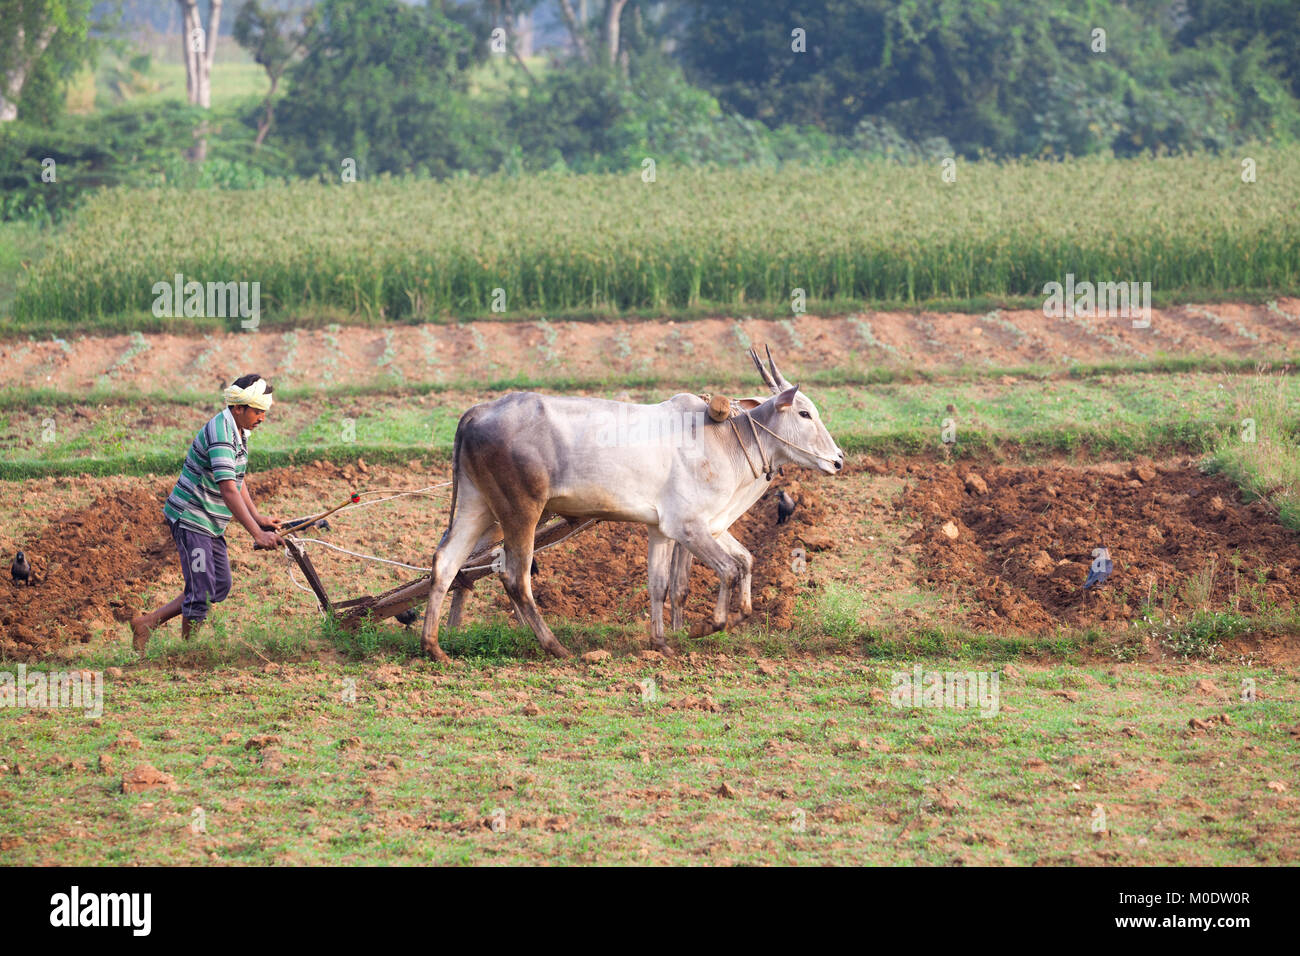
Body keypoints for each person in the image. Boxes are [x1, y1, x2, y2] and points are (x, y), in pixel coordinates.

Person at [130, 374, 285, 654]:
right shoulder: (222, 433)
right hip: (191, 519)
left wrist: (259, 518)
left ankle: (148, 622)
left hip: (211, 522)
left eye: (264, 411)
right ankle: (188, 654)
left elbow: (237, 478)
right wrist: (257, 534)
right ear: (238, 408)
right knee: (200, 593)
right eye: (258, 411)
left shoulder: (240, 430)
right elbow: (228, 490)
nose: (262, 417)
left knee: (219, 585)